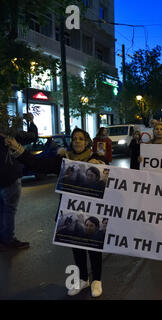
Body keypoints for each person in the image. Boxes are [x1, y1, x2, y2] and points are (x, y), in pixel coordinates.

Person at [5, 128, 106, 297]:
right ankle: (82, 279)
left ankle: (97, 280)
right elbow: (38, 164)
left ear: (87, 142)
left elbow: (112, 177)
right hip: (71, 211)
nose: (77, 141)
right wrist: (18, 149)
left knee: (94, 246)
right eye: (74, 139)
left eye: (81, 139)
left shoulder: (96, 159)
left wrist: (102, 166)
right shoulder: (63, 160)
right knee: (76, 246)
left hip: (93, 212)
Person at [0, 117, 38, 251]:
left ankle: (3, 239)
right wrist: (31, 122)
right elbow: (33, 136)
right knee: (9, 210)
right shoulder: (11, 135)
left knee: (2, 210)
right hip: (10, 177)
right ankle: (8, 240)